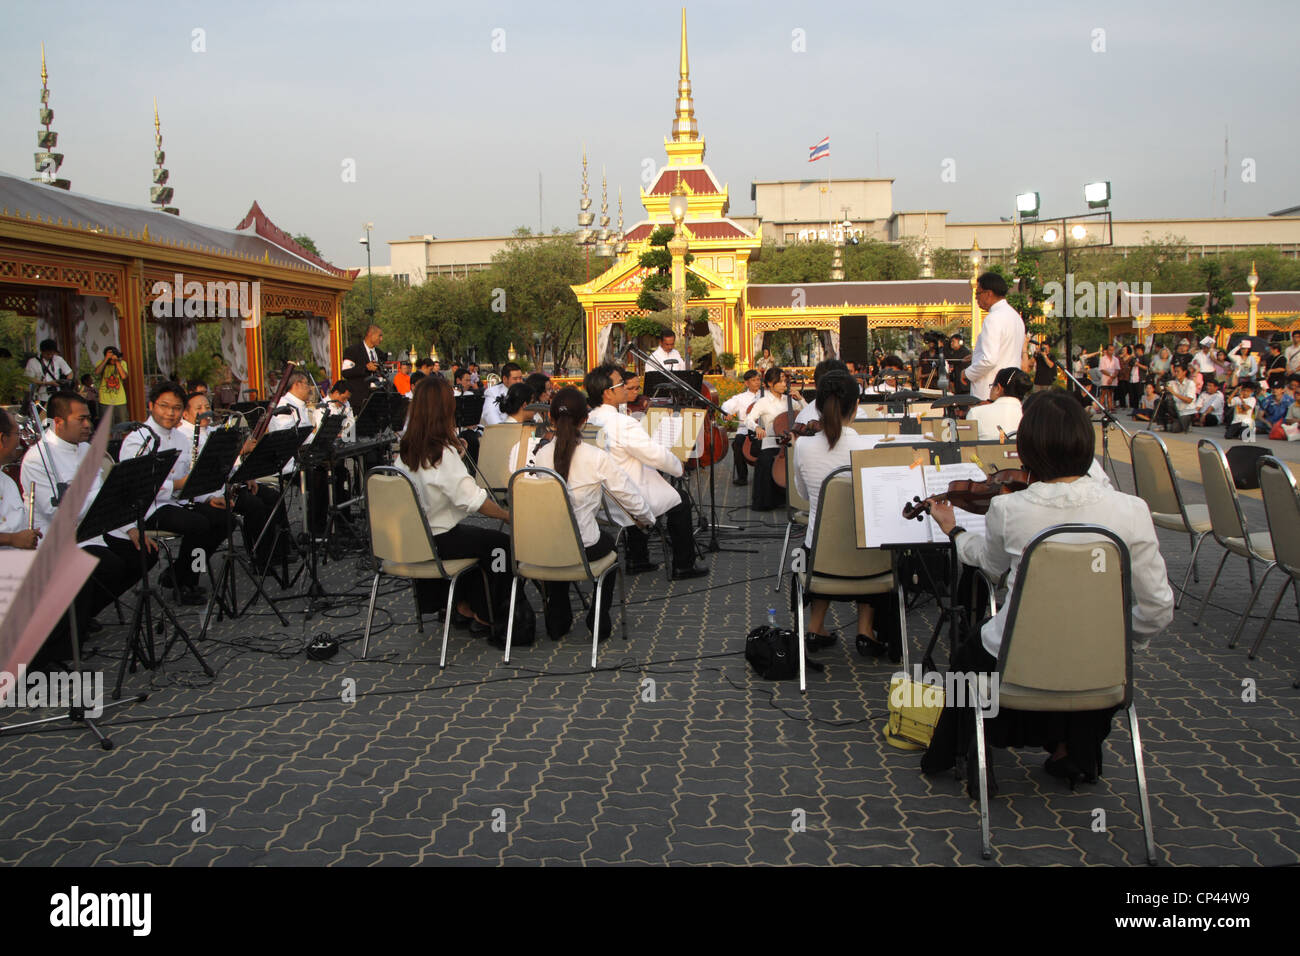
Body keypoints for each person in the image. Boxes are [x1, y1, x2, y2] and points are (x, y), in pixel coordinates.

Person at [924, 389, 1173, 788]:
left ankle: (962, 750)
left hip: (1016, 668)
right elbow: (1158, 607)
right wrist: (1125, 640)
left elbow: (989, 567)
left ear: (1027, 448)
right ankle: (1071, 749)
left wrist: (953, 530)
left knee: (970, 655)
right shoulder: (1132, 511)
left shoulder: (1010, 509)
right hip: (1101, 671)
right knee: (1080, 658)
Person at [18, 398, 159, 668]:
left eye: (88, 419)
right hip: (63, 539)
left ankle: (84, 614)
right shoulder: (38, 458)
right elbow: (61, 511)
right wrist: (104, 504)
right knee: (108, 565)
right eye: (80, 419)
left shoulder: (86, 450)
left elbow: (105, 499)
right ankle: (62, 639)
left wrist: (128, 528)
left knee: (143, 554)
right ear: (58, 422)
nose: (87, 424)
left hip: (97, 529)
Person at [394, 375, 517, 643]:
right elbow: (472, 501)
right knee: (501, 546)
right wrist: (508, 516)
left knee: (475, 539)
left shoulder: (405, 451)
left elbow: (436, 480)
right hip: (440, 540)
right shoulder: (441, 453)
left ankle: (461, 606)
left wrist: (456, 456)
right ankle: (487, 614)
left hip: (413, 539)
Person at [527, 387, 655, 640]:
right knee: (609, 548)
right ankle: (599, 618)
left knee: (560, 544)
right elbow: (628, 494)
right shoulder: (596, 457)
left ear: (551, 419)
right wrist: (647, 519)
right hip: (584, 546)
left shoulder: (540, 455)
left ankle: (558, 616)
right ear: (585, 421)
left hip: (546, 547)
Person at [791, 371, 899, 657]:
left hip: (819, 559)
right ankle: (865, 631)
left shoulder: (802, 446)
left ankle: (815, 626)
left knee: (822, 536)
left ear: (819, 405)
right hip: (871, 564)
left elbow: (802, 495)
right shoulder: (872, 447)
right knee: (869, 535)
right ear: (857, 405)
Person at [584, 364, 707, 580]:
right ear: (607, 393)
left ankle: (637, 559)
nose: (626, 388)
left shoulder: (589, 420)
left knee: (636, 485)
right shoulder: (622, 423)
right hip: (626, 499)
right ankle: (683, 565)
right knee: (681, 500)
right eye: (621, 384)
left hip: (603, 498)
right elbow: (655, 455)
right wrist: (678, 466)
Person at [118, 382, 228, 605]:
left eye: (176, 407)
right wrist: (177, 484)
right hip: (148, 507)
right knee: (198, 524)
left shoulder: (178, 438)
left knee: (225, 519)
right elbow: (137, 485)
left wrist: (207, 497)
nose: (170, 413)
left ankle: (179, 574)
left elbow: (189, 478)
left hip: (175, 502)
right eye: (164, 406)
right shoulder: (137, 439)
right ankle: (186, 581)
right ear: (151, 406)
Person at [177, 391, 287, 574]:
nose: (205, 412)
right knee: (254, 506)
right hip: (202, 494)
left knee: (272, 496)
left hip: (226, 486)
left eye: (207, 407)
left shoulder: (213, 431)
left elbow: (227, 462)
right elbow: (197, 472)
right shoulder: (184, 436)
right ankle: (259, 559)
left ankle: (273, 554)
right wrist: (210, 496)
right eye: (199, 409)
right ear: (186, 414)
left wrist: (245, 476)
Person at [743, 367, 806, 511]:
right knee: (765, 460)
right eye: (781, 382)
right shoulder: (763, 402)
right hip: (771, 442)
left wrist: (801, 399)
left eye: (785, 381)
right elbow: (748, 420)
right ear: (770, 384)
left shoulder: (790, 400)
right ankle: (767, 501)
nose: (785, 384)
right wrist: (757, 427)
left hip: (790, 443)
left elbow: (807, 414)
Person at [962, 274, 1025, 401]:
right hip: (1010, 386)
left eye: (978, 294)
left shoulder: (993, 318)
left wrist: (967, 373)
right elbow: (1005, 351)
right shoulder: (1015, 316)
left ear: (988, 293)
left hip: (990, 389)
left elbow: (989, 359)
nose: (976, 298)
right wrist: (976, 356)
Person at [967, 367, 1033, 441]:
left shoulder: (976, 413)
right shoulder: (1030, 416)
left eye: (992, 386)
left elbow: (967, 448)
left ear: (998, 388)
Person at [721, 370, 762, 486]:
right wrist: (726, 413)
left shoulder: (765, 395)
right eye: (753, 380)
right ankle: (742, 476)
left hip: (763, 430)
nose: (757, 382)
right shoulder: (740, 398)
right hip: (745, 429)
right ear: (746, 383)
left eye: (758, 379)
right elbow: (726, 406)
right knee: (737, 444)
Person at [1154, 363, 1197, 432]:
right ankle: (1162, 425)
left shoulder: (1190, 383)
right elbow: (1159, 390)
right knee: (1158, 401)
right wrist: (1158, 380)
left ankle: (1186, 424)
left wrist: (1173, 392)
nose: (1176, 373)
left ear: (1184, 372)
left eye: (1178, 371)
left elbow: (1189, 400)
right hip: (1175, 410)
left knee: (1175, 429)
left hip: (1186, 411)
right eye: (1175, 371)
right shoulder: (1172, 382)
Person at [479, 363, 523, 427]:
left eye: (520, 378)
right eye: (515, 379)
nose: (519, 381)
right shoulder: (493, 393)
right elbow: (492, 419)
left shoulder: (523, 391)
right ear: (505, 379)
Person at [93, 346, 128, 425]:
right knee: (106, 425)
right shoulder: (101, 363)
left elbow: (124, 376)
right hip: (105, 399)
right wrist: (106, 359)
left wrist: (117, 362)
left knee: (123, 424)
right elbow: (96, 372)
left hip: (120, 400)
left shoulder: (122, 363)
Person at [1097, 344, 1120, 411]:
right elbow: (1102, 369)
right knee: (1103, 393)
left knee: (1110, 393)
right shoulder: (1102, 359)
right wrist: (1110, 375)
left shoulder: (1116, 359)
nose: (1111, 351)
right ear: (1106, 351)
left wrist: (1112, 377)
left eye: (1113, 350)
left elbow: (1117, 369)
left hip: (1113, 379)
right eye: (1110, 350)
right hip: (1105, 379)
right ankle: (1100, 407)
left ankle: (1110, 407)